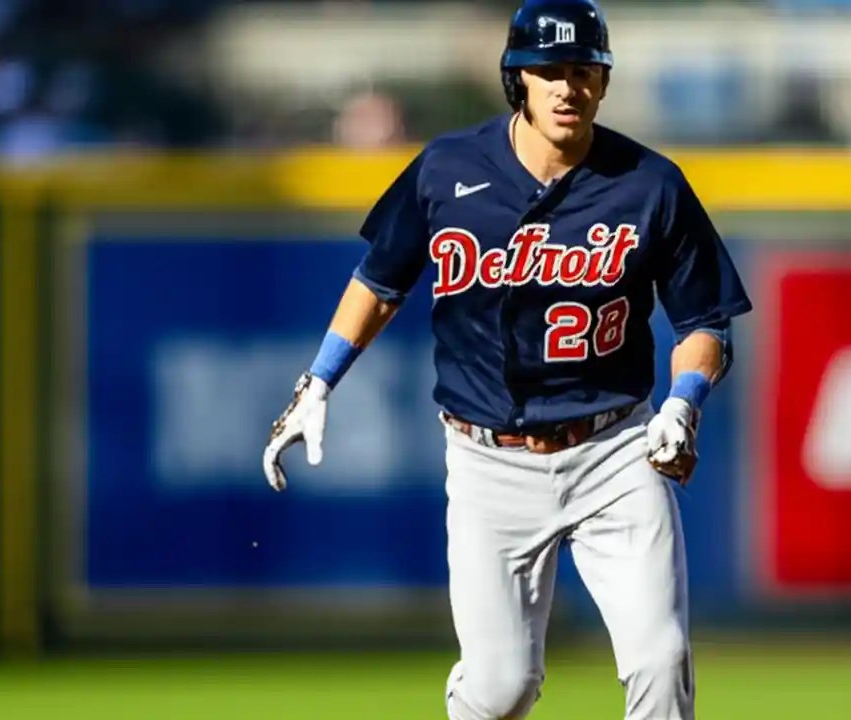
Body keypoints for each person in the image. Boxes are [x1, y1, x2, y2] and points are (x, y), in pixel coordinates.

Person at [261, 2, 752, 718]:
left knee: (661, 657)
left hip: (613, 449)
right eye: (548, 71)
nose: (567, 86)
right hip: (488, 457)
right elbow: (380, 280)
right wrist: (319, 379)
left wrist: (683, 402)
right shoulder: (448, 168)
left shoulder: (650, 184)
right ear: (516, 80)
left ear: (604, 83)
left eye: (584, 70)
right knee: (500, 688)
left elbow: (706, 323)